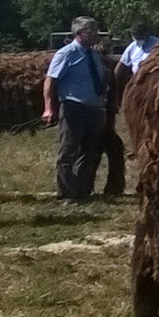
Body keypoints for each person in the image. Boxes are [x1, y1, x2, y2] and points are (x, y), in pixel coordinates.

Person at [42, 16, 111, 201]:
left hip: (94, 108)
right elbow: (50, 80)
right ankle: (66, 194)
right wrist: (48, 107)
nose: (96, 35)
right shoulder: (67, 53)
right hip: (74, 108)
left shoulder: (94, 54)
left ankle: (83, 191)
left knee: (90, 152)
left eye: (96, 31)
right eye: (92, 31)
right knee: (69, 151)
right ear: (79, 33)